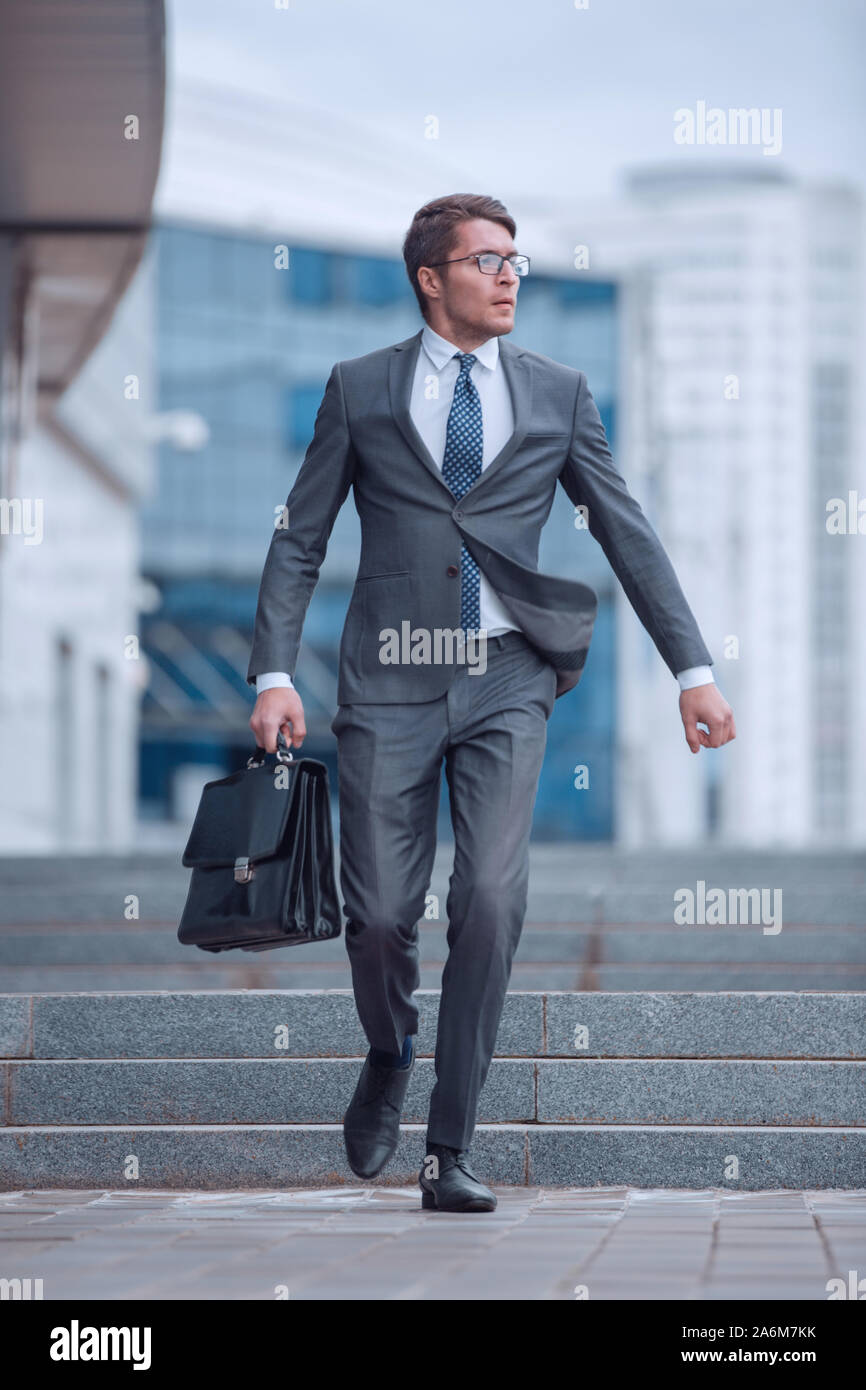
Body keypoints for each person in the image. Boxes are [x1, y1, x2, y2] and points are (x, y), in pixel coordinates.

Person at [247, 193, 736, 1213]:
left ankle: (447, 1143)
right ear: (431, 278)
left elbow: (623, 530)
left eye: (514, 260)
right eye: (485, 261)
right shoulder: (360, 389)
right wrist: (273, 670)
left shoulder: (557, 392)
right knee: (378, 911)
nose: (509, 276)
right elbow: (300, 537)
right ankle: (389, 1051)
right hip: (387, 673)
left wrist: (690, 668)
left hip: (508, 672)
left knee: (492, 899)